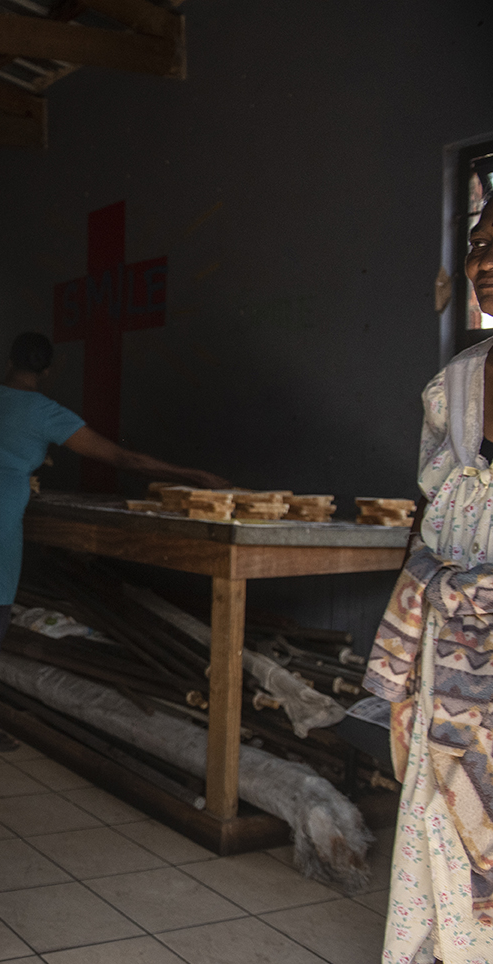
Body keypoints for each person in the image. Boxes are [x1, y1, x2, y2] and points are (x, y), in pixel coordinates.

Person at [0, 332, 229, 748]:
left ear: (8, 361)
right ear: (48, 372)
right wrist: (194, 476)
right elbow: (123, 458)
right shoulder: (46, 412)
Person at [363, 200, 493, 962]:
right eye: (477, 245)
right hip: (451, 666)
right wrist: (405, 667)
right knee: (442, 828)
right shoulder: (458, 384)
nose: (481, 261)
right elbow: (430, 514)